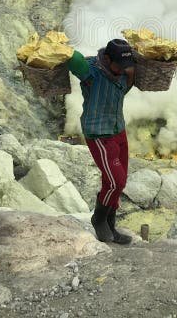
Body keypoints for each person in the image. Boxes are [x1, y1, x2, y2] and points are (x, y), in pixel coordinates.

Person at [67, 38, 135, 245]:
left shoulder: (123, 72)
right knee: (117, 181)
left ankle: (111, 225)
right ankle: (98, 219)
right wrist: (61, 48)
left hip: (118, 130)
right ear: (106, 58)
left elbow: (124, 88)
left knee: (113, 181)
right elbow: (73, 59)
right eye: (120, 66)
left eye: (126, 66)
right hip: (99, 135)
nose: (123, 70)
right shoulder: (91, 72)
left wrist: (130, 73)